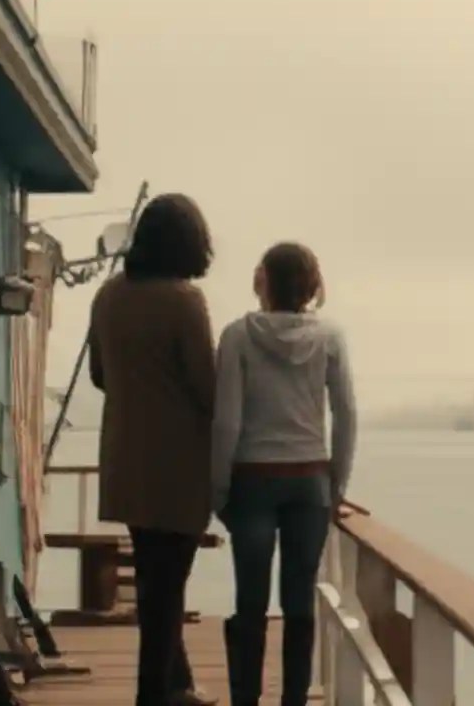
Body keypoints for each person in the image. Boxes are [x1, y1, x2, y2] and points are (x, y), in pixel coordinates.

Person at [211, 242, 358, 706]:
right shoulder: (330, 337)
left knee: (250, 603)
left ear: (263, 280)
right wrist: (338, 485)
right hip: (310, 479)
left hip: (252, 479)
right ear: (313, 285)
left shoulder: (237, 336)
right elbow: (347, 413)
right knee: (299, 602)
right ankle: (293, 699)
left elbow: (227, 421)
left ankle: (245, 700)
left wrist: (218, 488)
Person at [89, 193, 218, 706]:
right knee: (167, 584)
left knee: (154, 580)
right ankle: (152, 696)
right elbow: (207, 389)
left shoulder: (107, 295)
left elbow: (100, 374)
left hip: (125, 458)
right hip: (178, 466)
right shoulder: (185, 301)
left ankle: (177, 685)